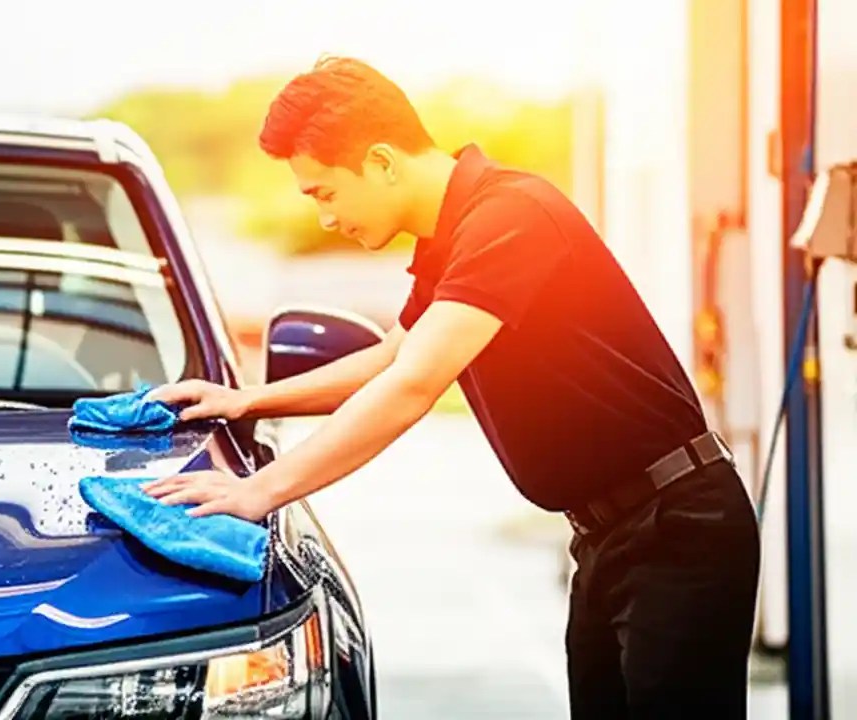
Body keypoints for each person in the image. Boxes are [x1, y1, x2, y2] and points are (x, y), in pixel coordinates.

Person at [141, 56, 761, 718]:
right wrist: (249, 401)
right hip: (607, 535)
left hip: (676, 528)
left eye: (323, 193)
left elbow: (414, 384)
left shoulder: (510, 216)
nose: (325, 219)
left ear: (380, 161)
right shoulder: (455, 236)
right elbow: (397, 353)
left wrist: (257, 492)